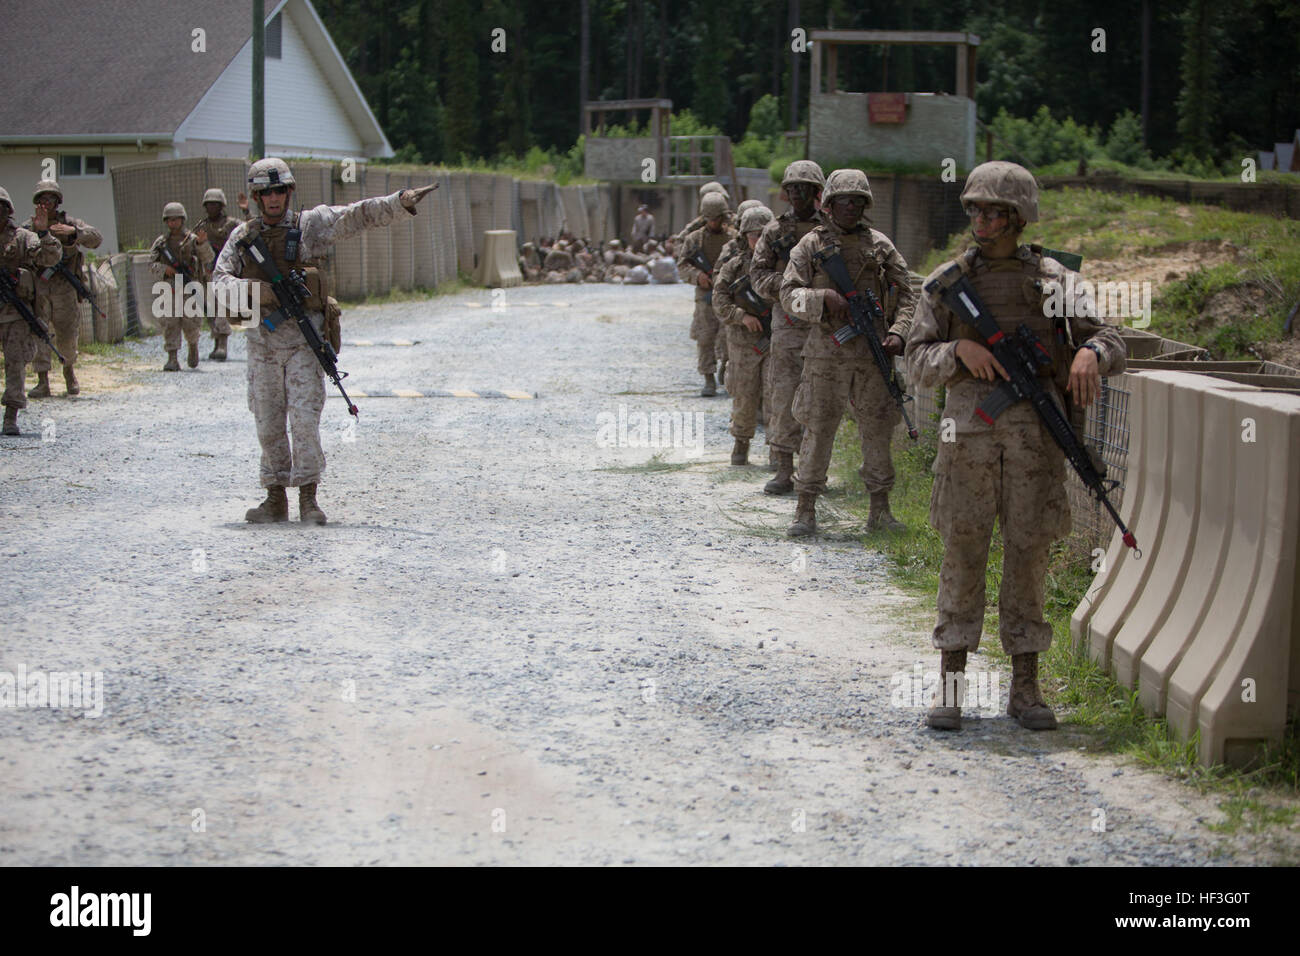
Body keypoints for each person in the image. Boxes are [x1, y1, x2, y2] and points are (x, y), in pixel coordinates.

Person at [905, 161, 1126, 731]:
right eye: (974, 209)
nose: (981, 220)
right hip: (967, 438)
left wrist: (1089, 353)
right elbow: (915, 359)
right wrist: (958, 354)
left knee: (1028, 556)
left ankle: (1025, 687)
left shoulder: (1057, 283)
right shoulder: (948, 282)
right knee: (963, 550)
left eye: (993, 211)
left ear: (1019, 217)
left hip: (1036, 444)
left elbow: (1112, 339)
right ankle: (951, 684)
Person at [212, 157, 437, 525]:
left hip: (304, 342)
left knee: (304, 421)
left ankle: (308, 497)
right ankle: (273, 497)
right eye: (266, 192)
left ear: (289, 191)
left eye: (279, 190)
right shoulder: (243, 238)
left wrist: (400, 201)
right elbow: (218, 284)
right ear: (255, 196)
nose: (273, 198)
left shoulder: (308, 226)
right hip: (263, 346)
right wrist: (259, 292)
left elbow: (354, 216)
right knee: (267, 422)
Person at [779, 169, 916, 537]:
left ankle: (880, 509)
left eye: (858, 201)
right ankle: (805, 507)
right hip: (826, 354)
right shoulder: (809, 245)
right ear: (829, 204)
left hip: (873, 357)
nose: (851, 207)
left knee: (878, 430)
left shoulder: (881, 246)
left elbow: (906, 294)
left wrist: (899, 333)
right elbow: (788, 293)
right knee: (819, 430)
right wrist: (821, 298)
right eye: (844, 201)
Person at [750, 161, 825, 494]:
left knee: (821, 399)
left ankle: (814, 470)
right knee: (783, 393)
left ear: (817, 192)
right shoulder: (774, 231)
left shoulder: (832, 229)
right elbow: (758, 276)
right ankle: (783, 468)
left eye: (804, 188)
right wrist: (791, 287)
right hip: (789, 324)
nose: (797, 194)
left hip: (825, 325)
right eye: (792, 188)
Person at [24, 180, 102, 397]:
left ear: (58, 202)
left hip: (64, 287)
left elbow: (96, 238)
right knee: (39, 331)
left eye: (50, 199)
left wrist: (73, 232)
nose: (46, 203)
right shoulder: (29, 227)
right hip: (39, 286)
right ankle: (42, 380)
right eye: (42, 199)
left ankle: (69, 372)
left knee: (67, 333)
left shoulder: (69, 223)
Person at [712, 205, 774, 465]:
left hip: (775, 340)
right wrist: (742, 316)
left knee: (777, 397)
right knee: (744, 394)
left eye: (763, 235)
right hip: (743, 341)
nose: (758, 241)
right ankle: (741, 445)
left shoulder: (784, 264)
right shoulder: (734, 266)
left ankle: (779, 452)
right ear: (744, 237)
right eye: (753, 235)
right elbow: (719, 298)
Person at [0, 186, 61, 435]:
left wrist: (44, 231)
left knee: (15, 363)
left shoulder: (23, 237)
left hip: (15, 313)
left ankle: (10, 416)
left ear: (8, 211)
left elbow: (50, 258)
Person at [677, 191, 736, 397]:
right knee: (705, 337)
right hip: (705, 295)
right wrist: (697, 275)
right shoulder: (694, 239)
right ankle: (708, 378)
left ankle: (726, 367)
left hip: (729, 295)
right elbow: (683, 265)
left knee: (730, 336)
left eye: (717, 218)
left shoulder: (733, 238)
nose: (713, 223)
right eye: (710, 219)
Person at [148, 202, 213, 371]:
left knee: (191, 321)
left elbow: (208, 259)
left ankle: (193, 346)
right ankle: (172, 357)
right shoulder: (161, 243)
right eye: (169, 220)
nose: (173, 223)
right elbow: (151, 265)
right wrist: (165, 269)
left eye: (176, 219)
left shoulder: (193, 240)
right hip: (169, 286)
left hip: (190, 285)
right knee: (170, 322)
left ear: (182, 220)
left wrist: (202, 244)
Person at [198, 187, 250, 361]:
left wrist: (246, 210)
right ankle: (216, 342)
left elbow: (251, 229)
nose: (212, 207)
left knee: (221, 308)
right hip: (208, 271)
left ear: (222, 206)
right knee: (210, 309)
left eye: (215, 204)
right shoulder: (202, 226)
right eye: (209, 204)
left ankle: (222, 345)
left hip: (227, 270)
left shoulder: (232, 223)